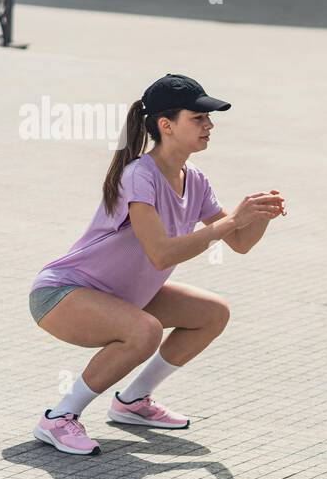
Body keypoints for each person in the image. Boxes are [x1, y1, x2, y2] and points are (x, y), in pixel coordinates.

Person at [28, 74, 285, 456]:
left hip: (124, 296)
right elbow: (161, 253)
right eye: (197, 118)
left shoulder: (195, 180)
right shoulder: (139, 175)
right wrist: (233, 220)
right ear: (166, 125)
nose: (209, 126)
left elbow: (240, 243)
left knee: (212, 313)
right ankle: (59, 416)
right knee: (144, 332)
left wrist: (259, 215)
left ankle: (133, 401)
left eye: (208, 118)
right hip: (62, 294)